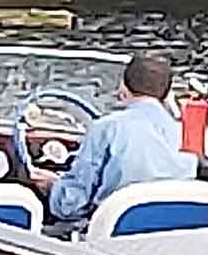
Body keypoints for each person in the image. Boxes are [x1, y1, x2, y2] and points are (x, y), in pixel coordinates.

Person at [29, 53, 197, 223]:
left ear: (123, 88)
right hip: (169, 227)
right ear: (166, 94)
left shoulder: (106, 128)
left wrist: (53, 186)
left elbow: (71, 205)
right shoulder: (184, 131)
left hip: (111, 228)